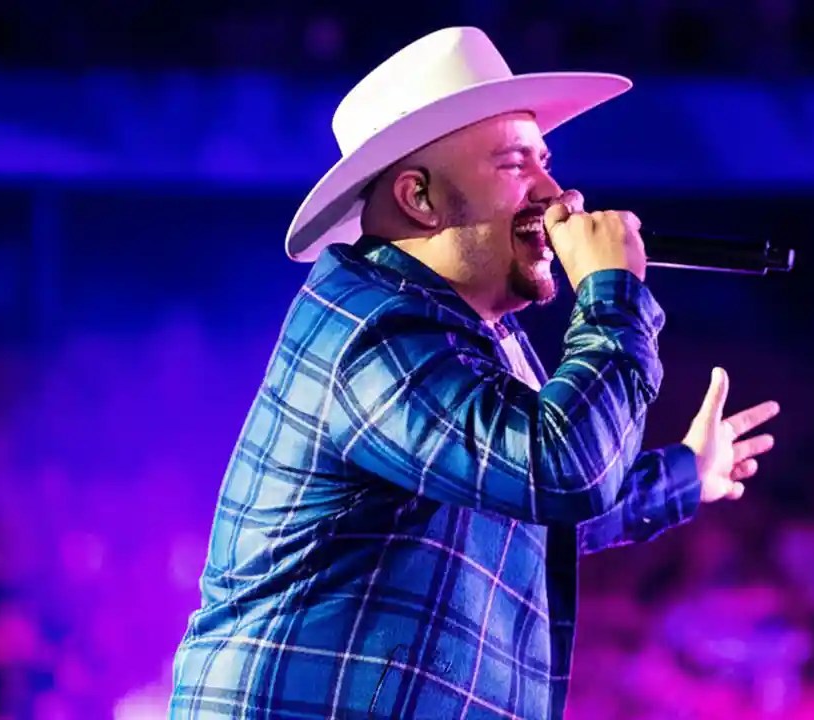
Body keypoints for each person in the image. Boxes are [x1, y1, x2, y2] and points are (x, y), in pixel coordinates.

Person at [169, 26, 779, 719]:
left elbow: (517, 513)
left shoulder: (473, 339)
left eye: (546, 160)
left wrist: (683, 475)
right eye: (516, 164)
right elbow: (562, 470)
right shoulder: (370, 330)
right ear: (420, 198)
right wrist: (612, 294)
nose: (560, 197)